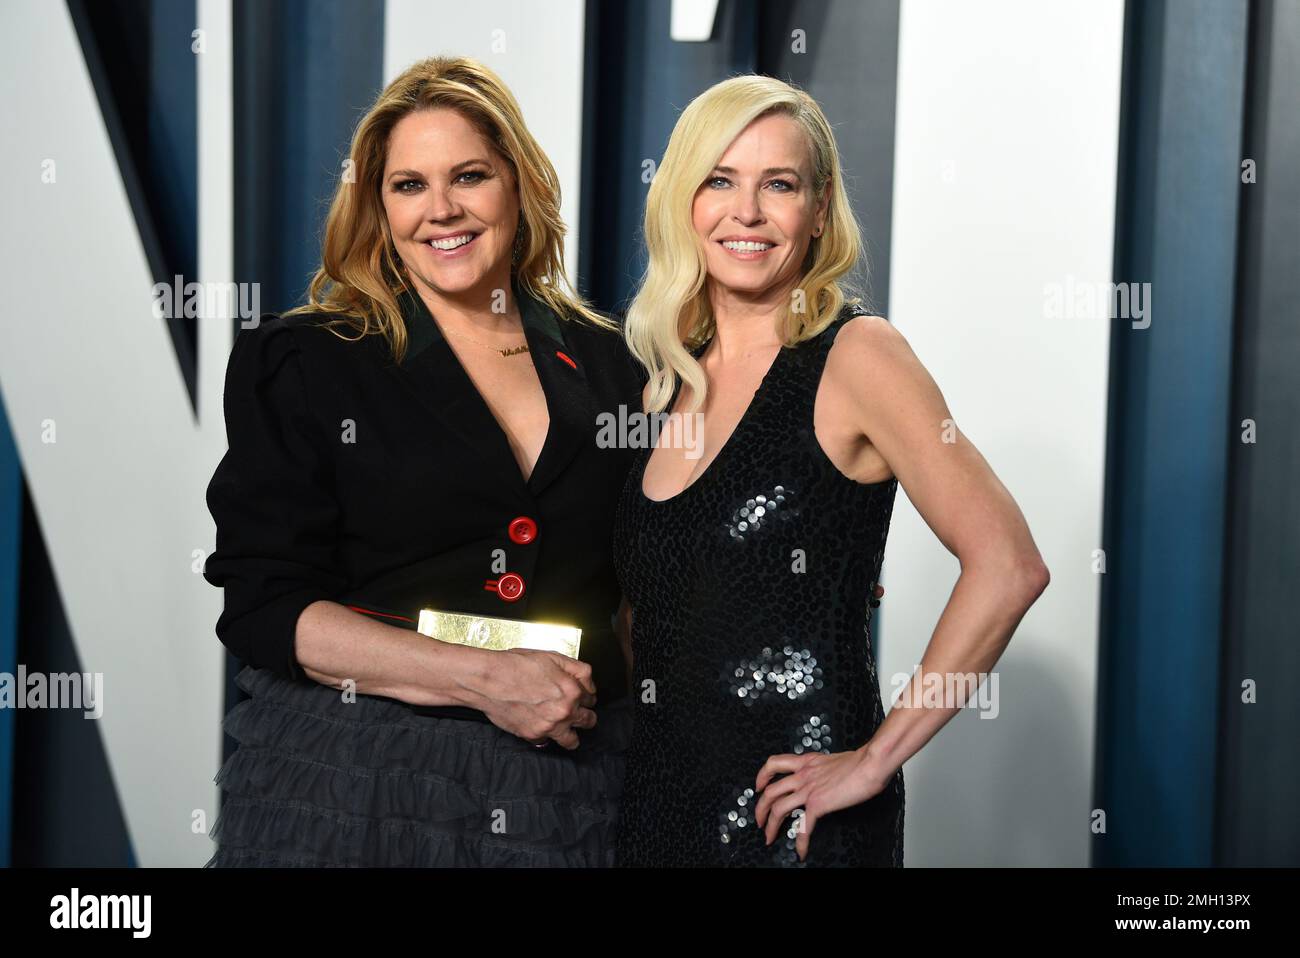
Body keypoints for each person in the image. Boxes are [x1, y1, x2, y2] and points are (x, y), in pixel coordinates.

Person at [202, 56, 643, 867]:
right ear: (376, 206)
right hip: (352, 782)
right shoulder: (306, 360)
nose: (441, 210)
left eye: (468, 175)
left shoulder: (619, 367)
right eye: (408, 185)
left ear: (519, 184)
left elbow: (642, 590)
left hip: (567, 794)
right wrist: (479, 677)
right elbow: (265, 607)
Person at [613, 75, 1050, 867]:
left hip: (800, 825)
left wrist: (877, 759)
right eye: (719, 180)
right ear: (683, 199)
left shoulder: (858, 355)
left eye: (777, 184)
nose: (745, 212)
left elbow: (1010, 564)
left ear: (818, 211)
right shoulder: (662, 378)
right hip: (654, 809)